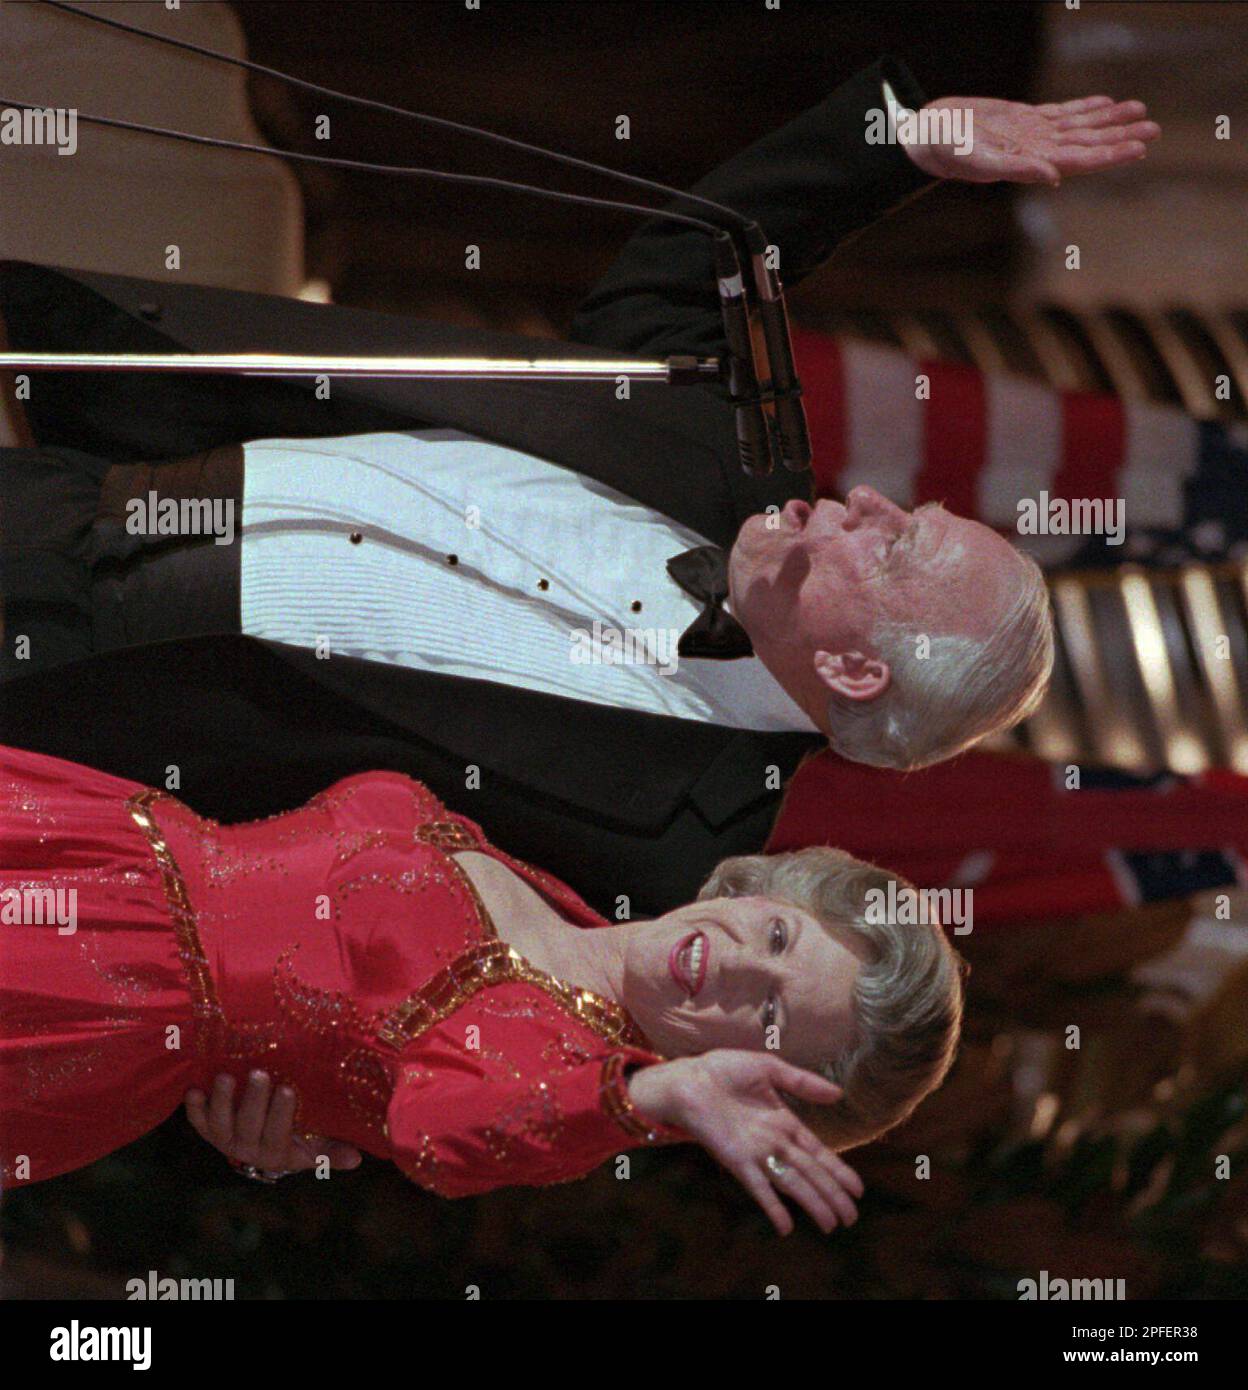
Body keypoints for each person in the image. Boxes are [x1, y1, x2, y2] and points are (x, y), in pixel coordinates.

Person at [0, 63, 1156, 912]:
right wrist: (901, 145)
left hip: (76, 718)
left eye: (896, 549)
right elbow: (711, 251)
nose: (871, 503)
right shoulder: (719, 446)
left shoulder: (663, 858)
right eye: (909, 511)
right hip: (83, 491)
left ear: (856, 669)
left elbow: (404, 942)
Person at [0, 744, 962, 1234]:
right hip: (87, 833)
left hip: (87, 999)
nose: (740, 962)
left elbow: (447, 1132)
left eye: (769, 1015)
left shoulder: (566, 1075)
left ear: (741, 1071)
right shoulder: (566, 895)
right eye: (780, 936)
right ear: (765, 891)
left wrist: (643, 1099)